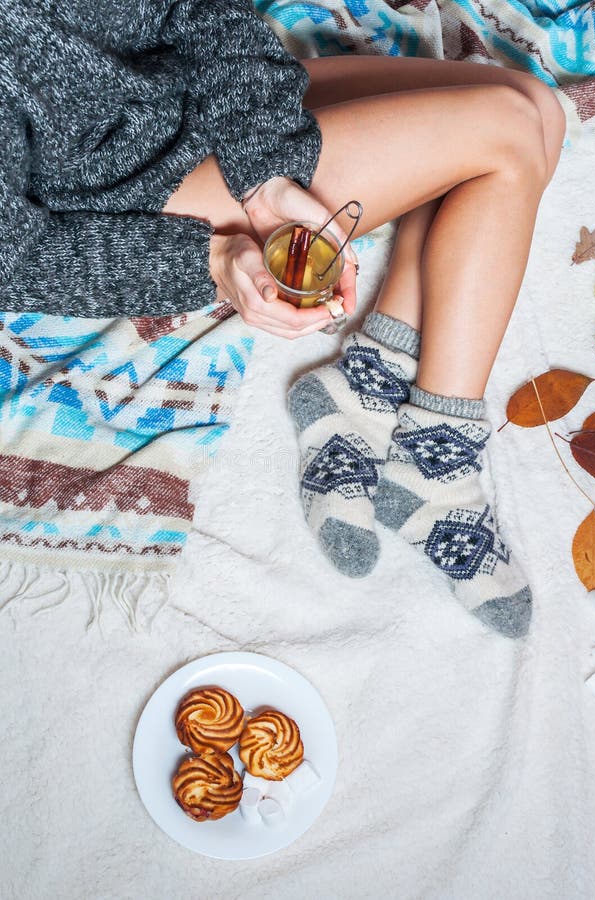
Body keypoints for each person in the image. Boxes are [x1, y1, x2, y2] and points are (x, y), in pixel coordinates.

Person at [0, 1, 566, 637]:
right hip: (125, 192)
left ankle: (367, 388)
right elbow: (15, 257)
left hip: (186, 92)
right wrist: (210, 259)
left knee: (536, 107)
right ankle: (437, 461)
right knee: (508, 131)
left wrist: (265, 166)